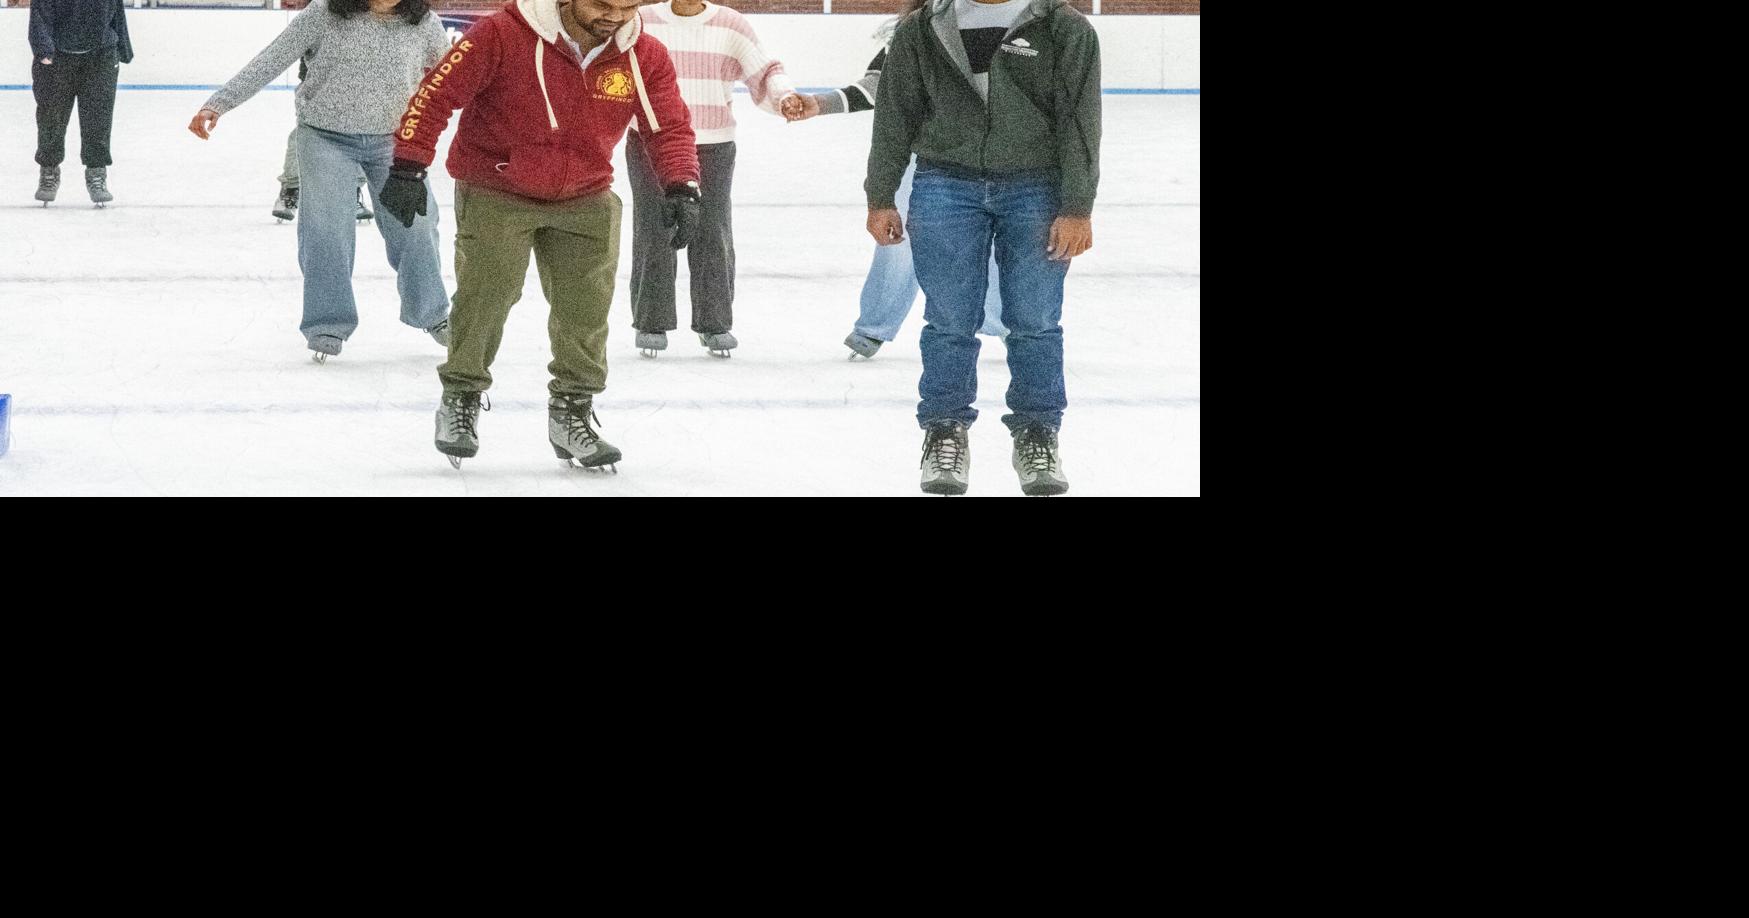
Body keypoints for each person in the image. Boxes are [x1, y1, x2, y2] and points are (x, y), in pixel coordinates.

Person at [380, 0, 700, 470]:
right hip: (496, 186)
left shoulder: (642, 55)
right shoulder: (501, 34)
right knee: (486, 296)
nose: (614, 16)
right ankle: (461, 398)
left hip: (587, 193)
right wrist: (409, 164)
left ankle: (573, 408)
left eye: (627, 6)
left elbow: (668, 125)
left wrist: (682, 184)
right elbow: (437, 93)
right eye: (602, 5)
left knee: (585, 310)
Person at [866, 0, 1100, 496]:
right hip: (945, 181)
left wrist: (1077, 206)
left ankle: (1038, 432)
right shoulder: (923, 28)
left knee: (1035, 319)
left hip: (1036, 187)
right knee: (949, 318)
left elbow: (1080, 119)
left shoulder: (1062, 26)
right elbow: (894, 114)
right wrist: (881, 194)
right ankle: (944, 429)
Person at [188, 0, 453, 362]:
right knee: (326, 230)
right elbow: (272, 58)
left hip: (394, 141)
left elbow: (456, 77)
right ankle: (327, 323)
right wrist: (219, 103)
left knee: (417, 224)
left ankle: (433, 314)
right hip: (326, 138)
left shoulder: (423, 23)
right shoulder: (325, 13)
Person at [787, 1, 1005, 360]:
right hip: (923, 157)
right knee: (898, 239)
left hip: (995, 157)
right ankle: (874, 326)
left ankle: (1008, 323)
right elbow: (877, 83)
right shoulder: (917, 28)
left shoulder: (1014, 23)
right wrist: (821, 103)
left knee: (999, 243)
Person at [626, 0, 796, 359]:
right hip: (651, 142)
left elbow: (764, 71)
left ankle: (714, 322)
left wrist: (784, 97)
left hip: (713, 143)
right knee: (654, 228)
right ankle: (651, 321)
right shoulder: (641, 20)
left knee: (712, 229)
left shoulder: (730, 24)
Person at [29, 0, 131, 206]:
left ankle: (97, 172)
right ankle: (49, 171)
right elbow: (39, 14)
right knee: (51, 119)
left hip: (100, 56)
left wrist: (123, 48)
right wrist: (43, 49)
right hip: (57, 57)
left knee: (98, 118)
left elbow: (116, 10)